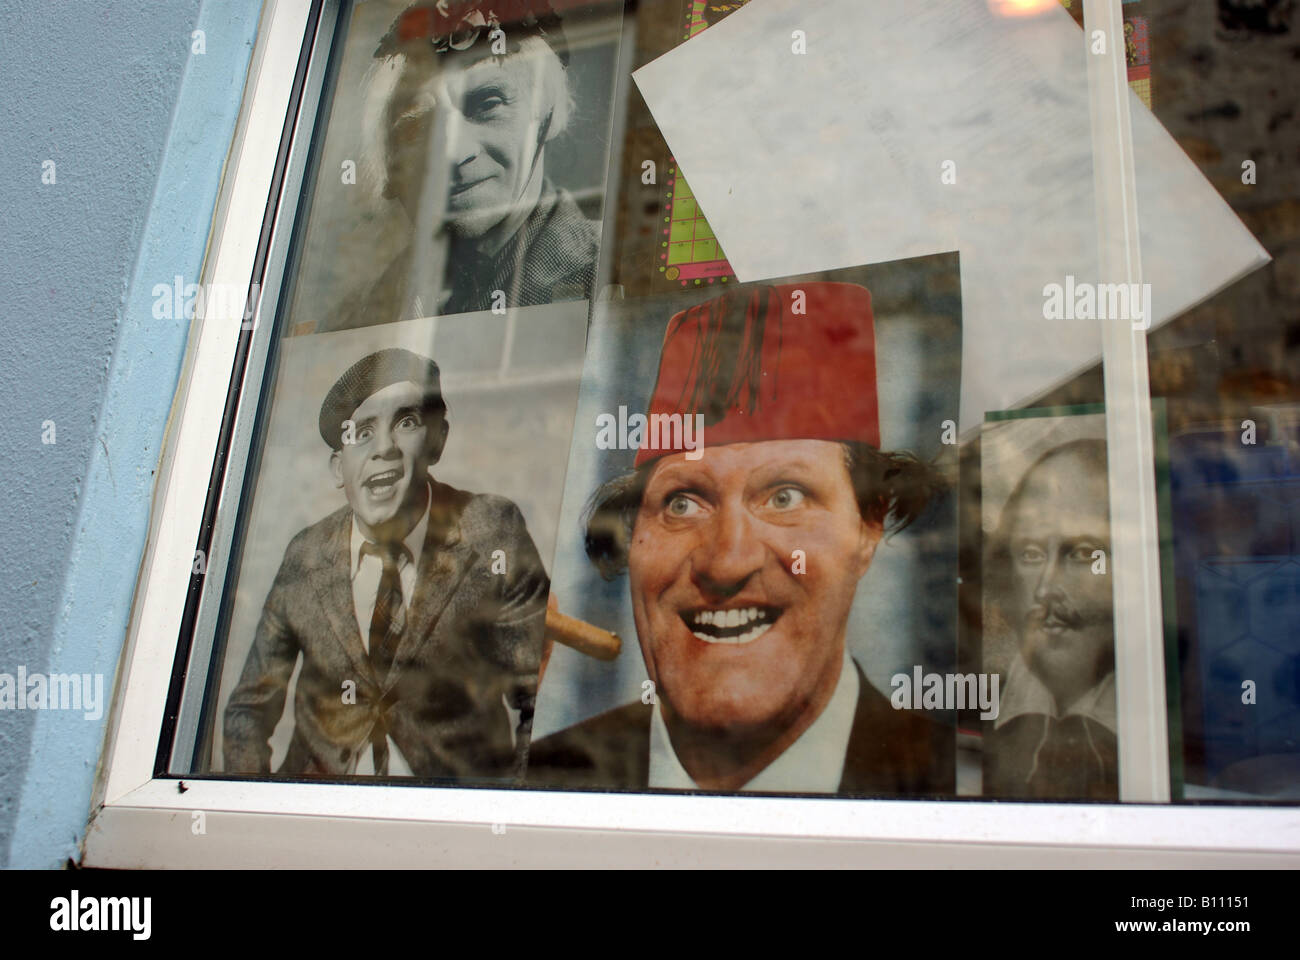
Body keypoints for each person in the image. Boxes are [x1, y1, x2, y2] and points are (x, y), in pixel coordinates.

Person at [527, 283, 954, 795]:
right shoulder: (538, 784)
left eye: (785, 497)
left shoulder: (966, 793)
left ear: (868, 526)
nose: (726, 562)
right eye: (681, 504)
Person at [223, 348, 549, 780]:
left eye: (407, 423)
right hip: (316, 807)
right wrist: (258, 809)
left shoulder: (491, 529)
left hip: (446, 816)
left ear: (438, 441)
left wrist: (501, 815)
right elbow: (249, 709)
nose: (384, 449)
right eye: (362, 433)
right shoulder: (306, 554)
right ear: (339, 468)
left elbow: (536, 704)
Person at [334, 0, 599, 328]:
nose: (455, 153)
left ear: (549, 115)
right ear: (387, 169)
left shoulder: (609, 275)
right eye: (417, 127)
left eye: (487, 104)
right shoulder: (355, 318)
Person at [983, 438, 1118, 800]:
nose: (1046, 588)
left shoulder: (1173, 723)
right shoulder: (972, 705)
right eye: (1030, 554)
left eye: (1083, 554)